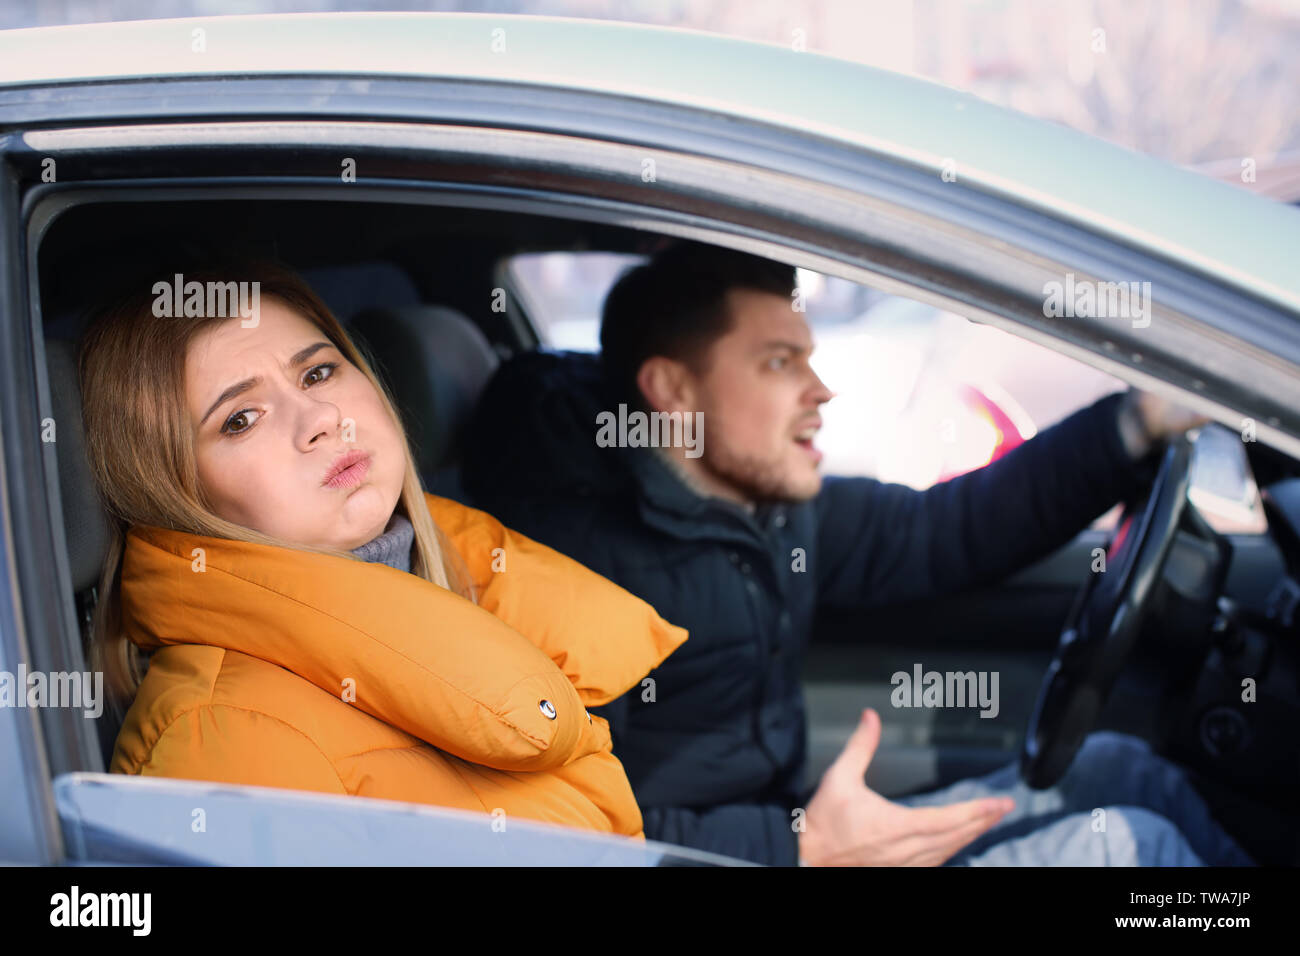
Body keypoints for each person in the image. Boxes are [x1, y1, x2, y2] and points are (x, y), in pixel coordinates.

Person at [461, 240, 1255, 866]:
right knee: (1132, 851)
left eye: (809, 356)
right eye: (779, 361)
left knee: (1120, 770)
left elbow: (952, 530)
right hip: (750, 857)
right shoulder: (567, 575)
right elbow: (567, 828)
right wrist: (801, 848)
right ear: (672, 391)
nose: (822, 388)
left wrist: (1133, 424)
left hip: (801, 836)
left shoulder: (767, 511)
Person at [77, 259, 687, 840]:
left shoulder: (476, 586)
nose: (319, 415)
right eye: (240, 418)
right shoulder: (222, 738)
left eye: (318, 372)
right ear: (172, 490)